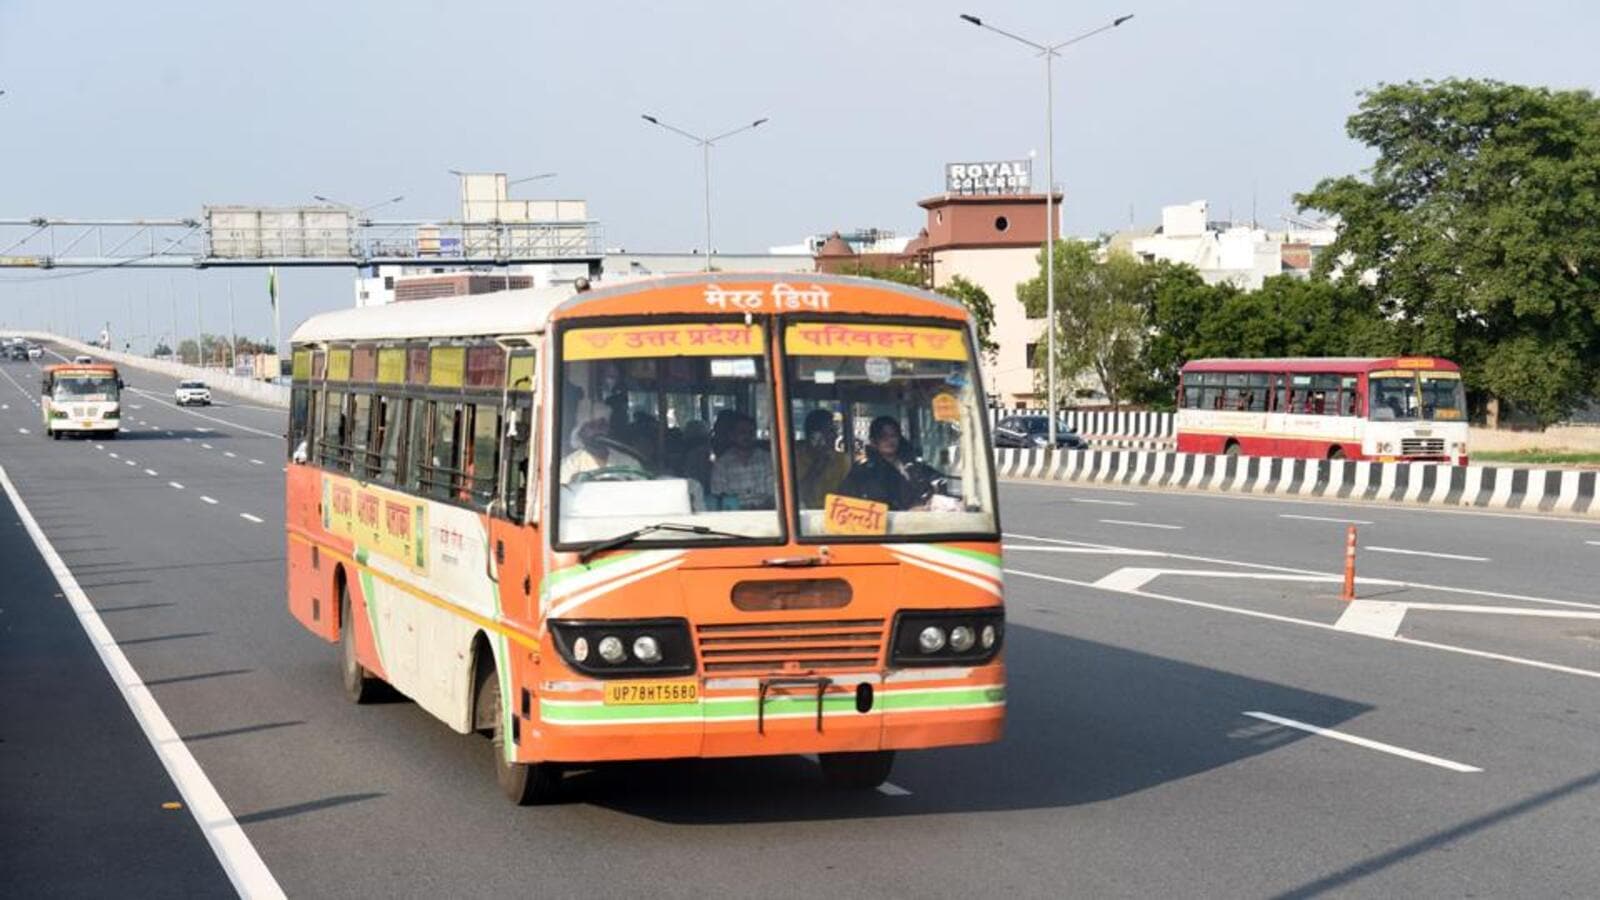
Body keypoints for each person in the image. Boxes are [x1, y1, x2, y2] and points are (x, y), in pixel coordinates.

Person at [838, 416, 933, 511]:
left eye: (893, 435)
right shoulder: (862, 472)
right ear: (873, 440)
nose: (889, 440)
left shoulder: (913, 465)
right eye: (883, 436)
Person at [709, 412, 773, 510]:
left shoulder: (768, 460)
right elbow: (719, 498)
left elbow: (775, 495)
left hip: (765, 513)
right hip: (734, 517)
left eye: (751, 432)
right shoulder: (721, 464)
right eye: (742, 432)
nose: (747, 436)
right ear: (732, 435)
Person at [560, 406, 642, 483]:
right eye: (591, 426)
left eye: (602, 425)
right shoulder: (569, 465)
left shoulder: (628, 461)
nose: (598, 430)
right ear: (581, 432)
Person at [795, 409, 850, 508]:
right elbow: (798, 494)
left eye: (835, 431)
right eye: (830, 431)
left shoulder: (841, 460)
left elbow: (848, 497)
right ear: (814, 436)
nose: (836, 436)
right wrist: (818, 464)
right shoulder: (794, 459)